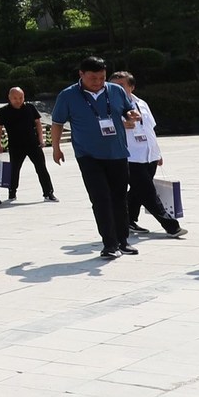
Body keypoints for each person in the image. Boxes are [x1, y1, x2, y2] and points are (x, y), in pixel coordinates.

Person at [49, 56, 141, 259]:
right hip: (88, 155)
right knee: (100, 199)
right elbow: (57, 123)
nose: (98, 82)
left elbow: (128, 109)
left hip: (117, 152)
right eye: (93, 78)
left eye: (102, 77)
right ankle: (109, 244)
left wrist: (132, 115)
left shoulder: (115, 90)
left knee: (119, 198)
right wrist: (56, 148)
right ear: (81, 75)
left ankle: (123, 241)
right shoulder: (68, 95)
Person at [113, 72, 183, 237]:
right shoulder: (110, 106)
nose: (117, 89)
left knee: (138, 190)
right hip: (129, 156)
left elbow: (149, 129)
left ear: (131, 87)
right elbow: (103, 128)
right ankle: (171, 225)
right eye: (113, 85)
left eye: (121, 86)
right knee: (147, 191)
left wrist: (157, 152)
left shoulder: (141, 103)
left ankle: (128, 220)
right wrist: (122, 125)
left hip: (148, 154)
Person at [0, 87, 55, 202]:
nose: (18, 100)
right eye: (15, 98)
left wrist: (41, 140)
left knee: (41, 168)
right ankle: (12, 192)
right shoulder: (3, 111)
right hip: (15, 146)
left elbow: (38, 123)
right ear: (10, 98)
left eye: (21, 97)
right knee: (14, 170)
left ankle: (48, 192)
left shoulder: (30, 108)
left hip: (33, 144)